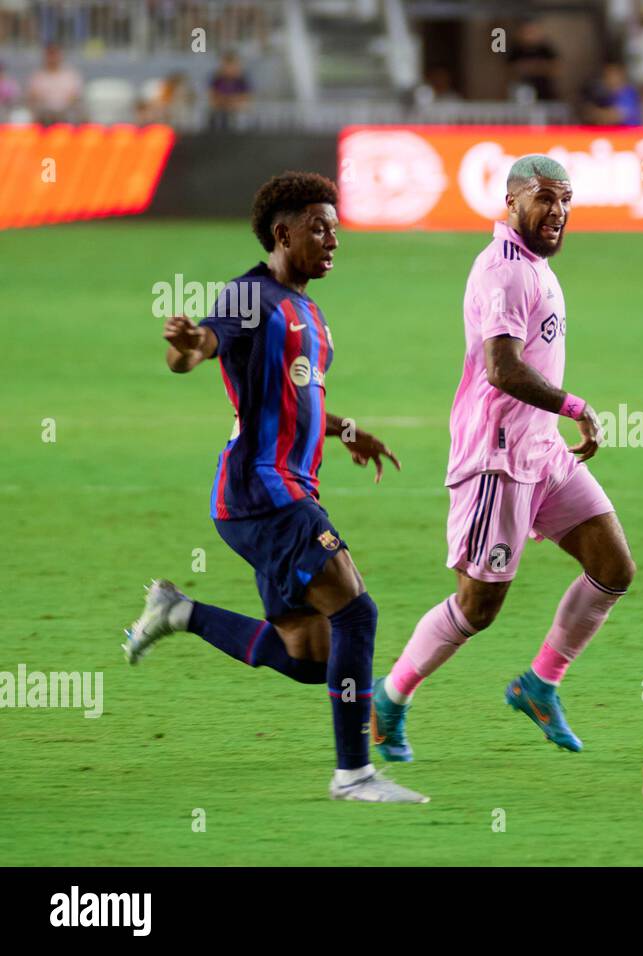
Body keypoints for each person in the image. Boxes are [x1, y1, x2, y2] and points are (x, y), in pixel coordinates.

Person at [122, 172, 427, 804]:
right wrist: (185, 347)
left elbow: (299, 393)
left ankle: (179, 611)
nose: (333, 241)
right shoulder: (248, 295)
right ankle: (355, 775)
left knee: (313, 657)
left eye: (337, 230)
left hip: (276, 490)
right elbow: (200, 346)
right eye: (319, 228)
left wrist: (344, 429)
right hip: (263, 489)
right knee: (356, 611)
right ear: (282, 232)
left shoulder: (310, 310)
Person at [370, 156, 636, 760]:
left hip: (541, 453)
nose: (559, 211)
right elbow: (501, 367)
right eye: (545, 198)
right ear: (512, 203)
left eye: (566, 199)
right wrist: (575, 406)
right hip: (498, 458)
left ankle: (540, 685)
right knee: (478, 606)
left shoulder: (536, 265)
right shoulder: (504, 270)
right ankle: (389, 699)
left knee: (614, 567)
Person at [26, 42, 81, 124]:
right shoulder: (38, 77)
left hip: (65, 115)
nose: (52, 58)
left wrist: (60, 107)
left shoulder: (70, 75)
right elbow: (33, 96)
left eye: (55, 54)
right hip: (44, 116)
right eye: (50, 54)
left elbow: (74, 96)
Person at [507, 20, 559, 102]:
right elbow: (509, 70)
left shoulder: (545, 49)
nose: (529, 35)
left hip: (544, 92)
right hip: (521, 91)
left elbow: (555, 67)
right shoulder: (516, 49)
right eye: (526, 32)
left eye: (532, 32)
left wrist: (533, 68)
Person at [581, 60, 642, 126]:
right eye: (605, 76)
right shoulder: (609, 97)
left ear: (621, 76)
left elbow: (614, 116)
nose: (608, 80)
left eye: (611, 76)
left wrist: (595, 113)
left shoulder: (628, 94)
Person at [208, 51, 251, 131]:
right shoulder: (217, 80)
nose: (229, 69)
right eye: (227, 65)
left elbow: (246, 101)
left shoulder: (242, 81)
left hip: (238, 115)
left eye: (232, 65)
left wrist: (231, 102)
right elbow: (212, 100)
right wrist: (226, 101)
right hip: (220, 114)